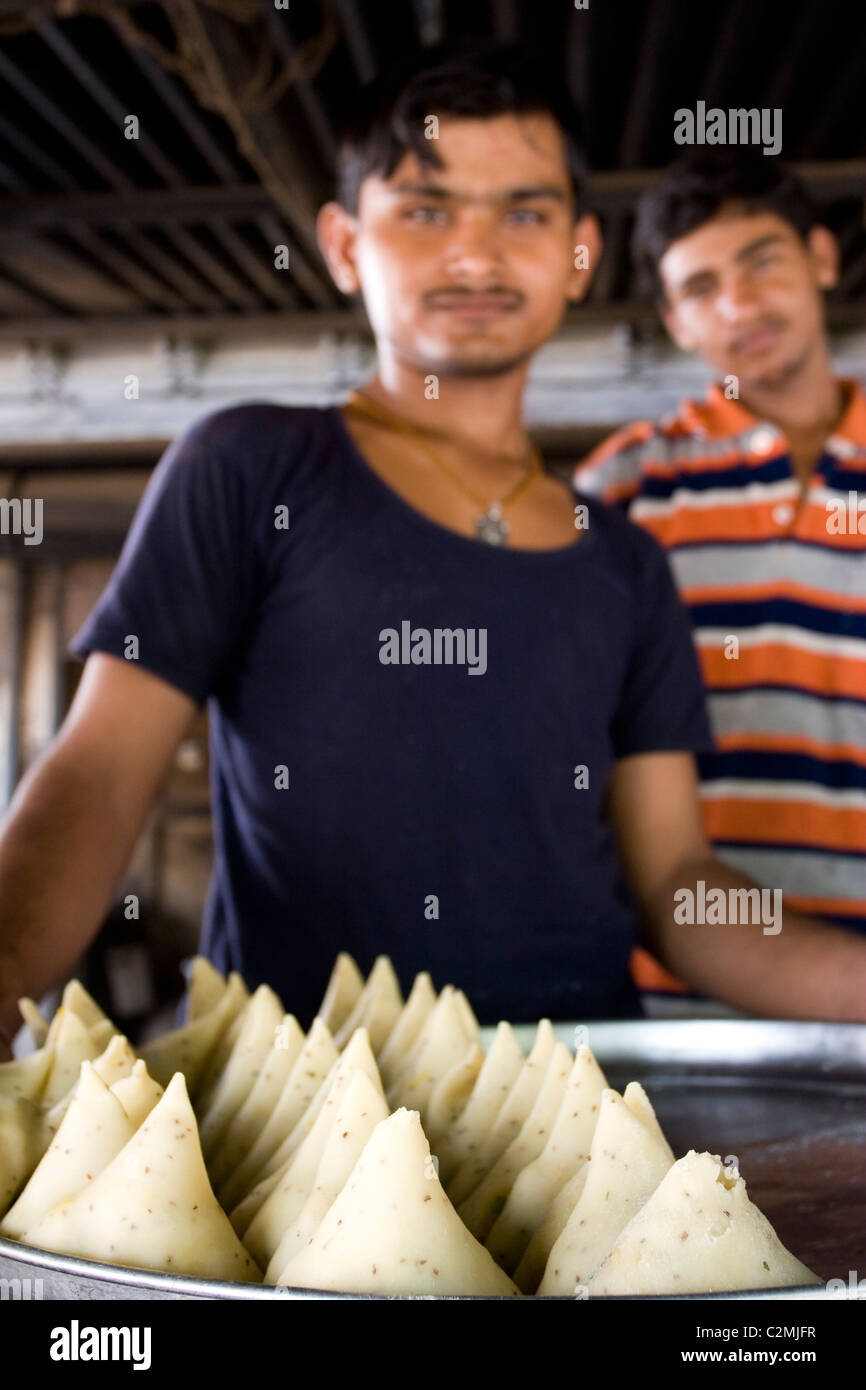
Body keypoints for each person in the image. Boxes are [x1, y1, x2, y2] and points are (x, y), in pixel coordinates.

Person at [1, 47, 864, 1057]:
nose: (473, 255)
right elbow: (99, 777)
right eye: (424, 209)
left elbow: (676, 884)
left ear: (581, 253)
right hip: (291, 1129)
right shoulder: (250, 467)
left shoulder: (622, 556)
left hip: (574, 1124)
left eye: (524, 213)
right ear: (341, 242)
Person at [576, 151, 866, 994]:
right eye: (701, 287)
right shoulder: (622, 489)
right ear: (673, 320)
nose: (740, 305)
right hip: (680, 995)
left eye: (763, 262)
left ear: (821, 258)